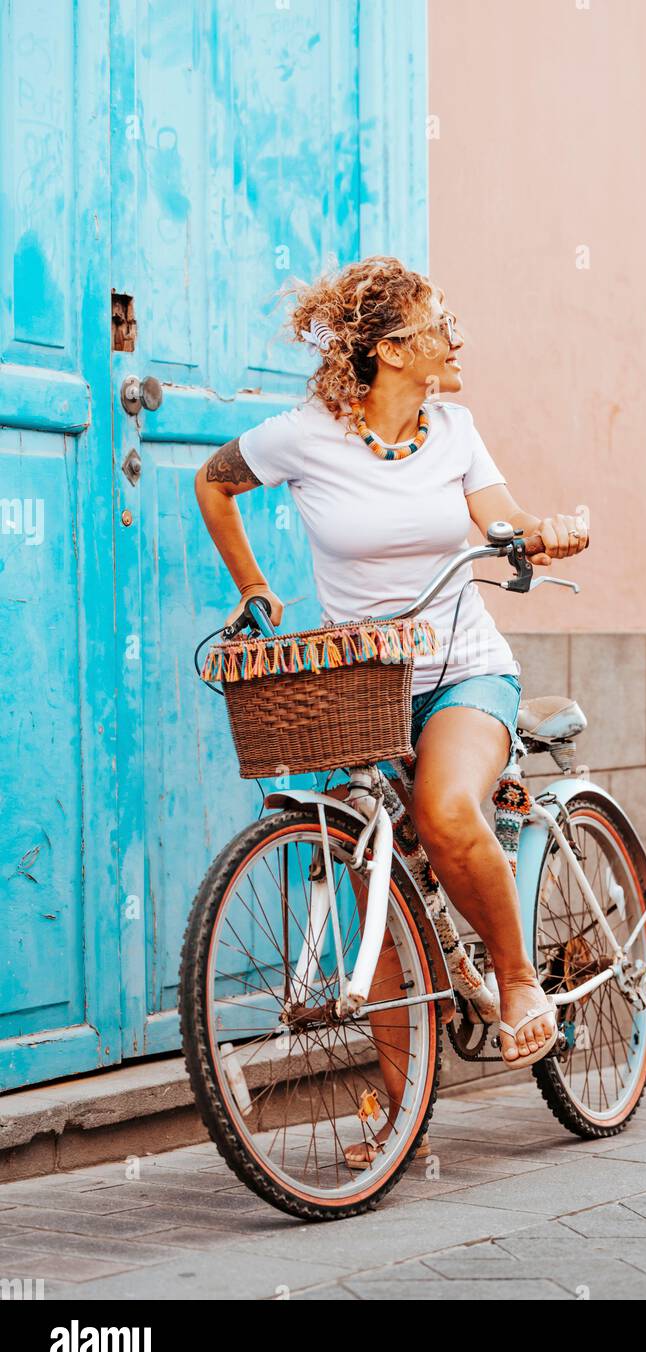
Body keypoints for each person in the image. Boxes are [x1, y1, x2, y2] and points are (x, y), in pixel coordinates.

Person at [195, 255, 589, 1166]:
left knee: (448, 813)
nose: (458, 338)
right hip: (359, 688)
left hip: (460, 671)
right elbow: (214, 483)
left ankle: (521, 983)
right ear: (393, 348)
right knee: (357, 877)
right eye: (441, 322)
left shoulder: (454, 430)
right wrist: (253, 587)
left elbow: (499, 515)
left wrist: (539, 531)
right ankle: (399, 1105)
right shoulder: (306, 435)